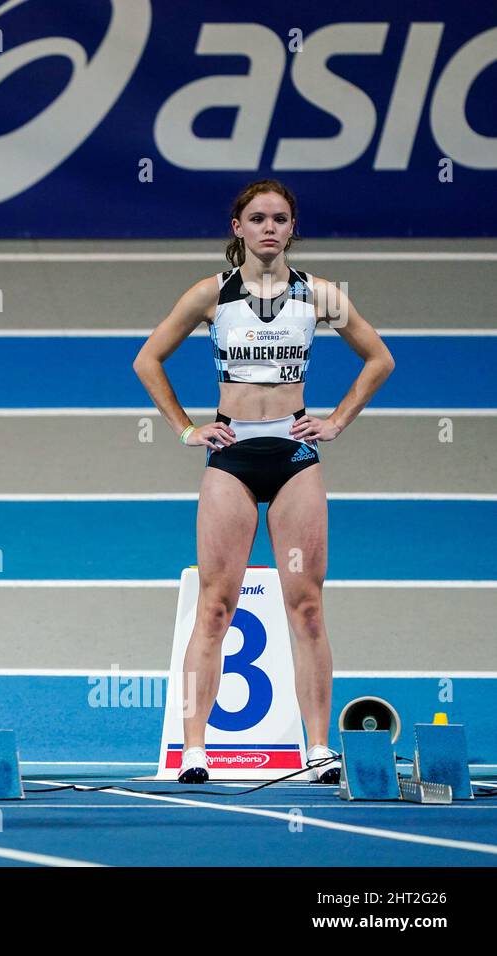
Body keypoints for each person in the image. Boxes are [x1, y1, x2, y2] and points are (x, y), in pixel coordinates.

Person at [133, 179, 395, 784]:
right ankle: (195, 750)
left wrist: (337, 420)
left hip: (296, 459)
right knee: (215, 606)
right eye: (258, 218)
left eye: (280, 218)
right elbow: (147, 359)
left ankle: (320, 749)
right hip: (232, 458)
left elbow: (379, 357)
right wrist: (184, 429)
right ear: (238, 228)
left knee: (306, 608)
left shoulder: (321, 296)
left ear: (292, 228)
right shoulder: (210, 294)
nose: (269, 228)